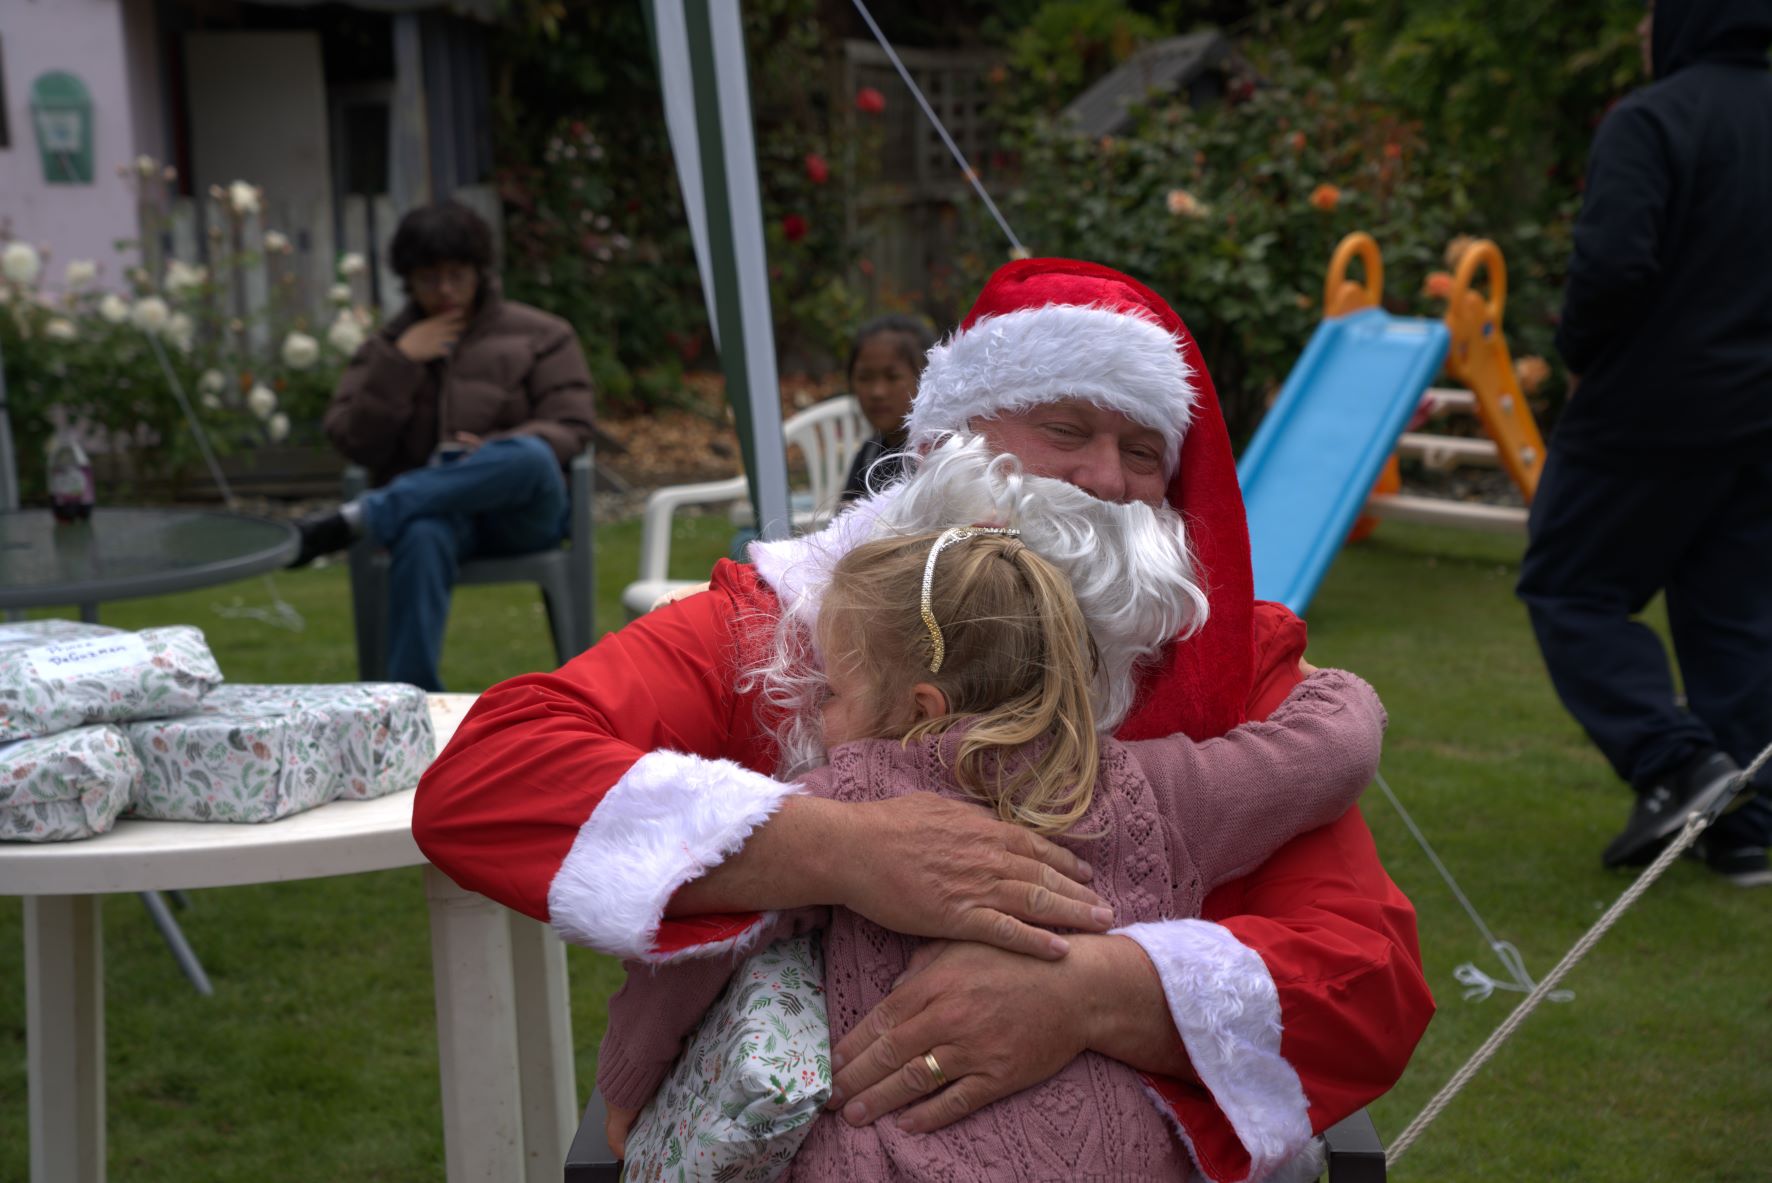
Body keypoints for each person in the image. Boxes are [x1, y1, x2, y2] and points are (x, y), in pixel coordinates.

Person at [414, 258, 1433, 1183]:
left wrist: (1091, 993)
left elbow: (1367, 975)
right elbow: (490, 778)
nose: (1105, 479)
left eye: (1141, 451)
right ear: (947, 443)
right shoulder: (787, 622)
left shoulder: (1227, 666)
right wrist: (831, 846)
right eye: (1065, 430)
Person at [596, 523, 1390, 1177]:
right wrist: (1328, 683)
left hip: (899, 1149)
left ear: (922, 705)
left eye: (831, 692)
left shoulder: (849, 798)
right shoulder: (1156, 789)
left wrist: (628, 1081)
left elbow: (699, 948)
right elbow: (1330, 753)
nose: (816, 711)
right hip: (1119, 1157)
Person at [1516, 0, 1772, 884]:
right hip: (1758, 420)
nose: (1638, 32)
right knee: (1734, 618)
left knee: (1568, 583)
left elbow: (1614, 262)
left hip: (1646, 411)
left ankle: (1676, 763)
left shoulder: (1655, 119)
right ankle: (1743, 830)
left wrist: (1580, 355)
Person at [291, 200, 597, 691]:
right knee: (420, 534)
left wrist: (493, 449)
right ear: (408, 281)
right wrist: (400, 363)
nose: (447, 291)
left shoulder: (542, 335)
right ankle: (410, 704)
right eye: (430, 279)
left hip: (521, 515)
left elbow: (573, 424)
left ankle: (366, 515)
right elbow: (352, 439)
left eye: (458, 275)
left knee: (533, 456)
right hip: (438, 522)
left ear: (479, 271)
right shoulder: (385, 348)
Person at [838, 314, 936, 501]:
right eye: (864, 378)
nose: (877, 392)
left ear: (927, 377)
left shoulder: (941, 458)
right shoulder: (868, 456)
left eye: (892, 377)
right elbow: (844, 523)